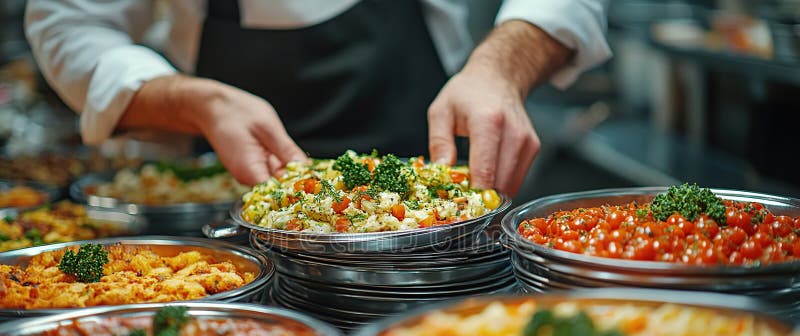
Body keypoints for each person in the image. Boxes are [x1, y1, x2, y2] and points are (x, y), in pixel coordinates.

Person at [25, 0, 610, 196]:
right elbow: (67, 23)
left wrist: (502, 68)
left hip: (436, 191)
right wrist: (189, 100)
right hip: (225, 208)